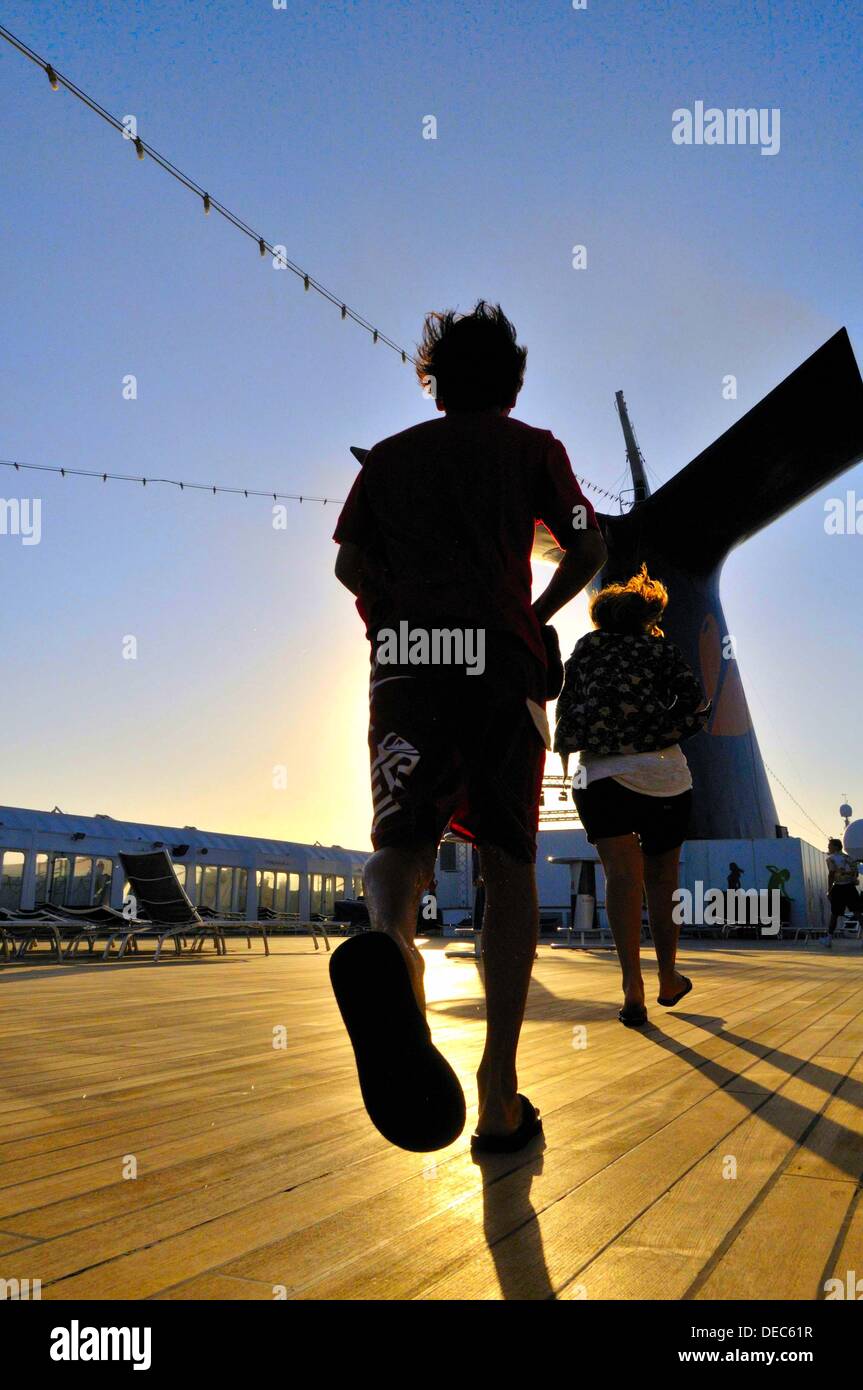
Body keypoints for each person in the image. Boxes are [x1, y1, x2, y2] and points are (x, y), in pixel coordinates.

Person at [329, 301, 606, 1153]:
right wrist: (542, 614)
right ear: (513, 382)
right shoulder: (534, 450)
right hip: (501, 661)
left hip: (408, 661)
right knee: (509, 860)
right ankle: (497, 1091)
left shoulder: (387, 460)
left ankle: (394, 953)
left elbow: (346, 562)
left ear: (433, 379)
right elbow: (589, 549)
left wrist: (394, 620)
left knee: (401, 843)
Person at [555, 565, 709, 1027]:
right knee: (663, 879)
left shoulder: (586, 647)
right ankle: (666, 976)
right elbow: (694, 697)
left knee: (622, 879)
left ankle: (631, 987)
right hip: (663, 772)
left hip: (600, 774)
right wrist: (664, 727)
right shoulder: (659, 647)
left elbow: (565, 705)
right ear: (647, 614)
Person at [821, 838, 861, 946]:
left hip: (839, 888)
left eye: (830, 845)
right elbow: (856, 874)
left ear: (836, 846)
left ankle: (829, 939)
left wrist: (829, 890)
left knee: (834, 914)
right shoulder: (849, 858)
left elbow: (831, 875)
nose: (828, 847)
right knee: (857, 913)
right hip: (851, 888)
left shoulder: (831, 859)